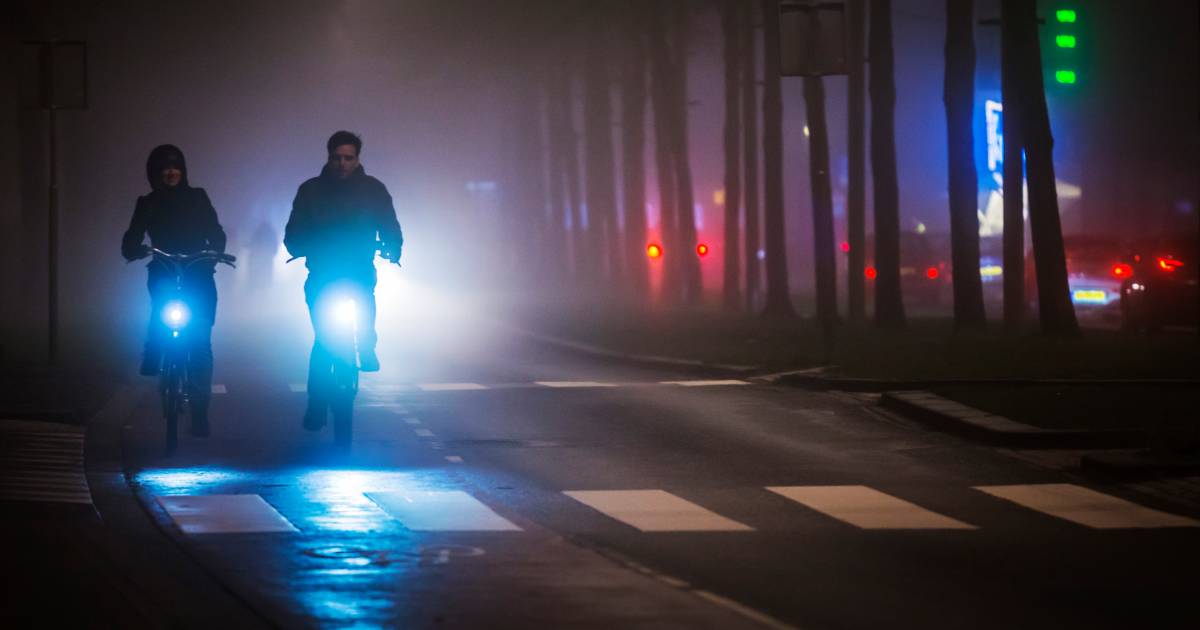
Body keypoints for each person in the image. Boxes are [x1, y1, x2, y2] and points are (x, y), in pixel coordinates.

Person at [285, 130, 402, 430]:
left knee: (365, 305)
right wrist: (298, 244)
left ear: (357, 159)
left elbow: (389, 223)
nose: (342, 163)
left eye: (348, 158)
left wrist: (393, 246)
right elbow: (293, 230)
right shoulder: (310, 190)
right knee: (323, 341)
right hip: (322, 274)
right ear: (328, 157)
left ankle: (366, 345)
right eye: (337, 158)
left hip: (359, 270)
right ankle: (315, 405)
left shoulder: (374, 190)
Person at [121, 144, 227, 437]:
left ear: (184, 170)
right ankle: (153, 352)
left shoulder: (197, 197)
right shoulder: (147, 202)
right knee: (160, 311)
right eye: (164, 168)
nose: (170, 173)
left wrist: (215, 250)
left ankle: (200, 412)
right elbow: (133, 234)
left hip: (199, 274)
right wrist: (133, 249)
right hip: (165, 270)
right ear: (154, 173)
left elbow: (215, 230)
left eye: (175, 167)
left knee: (201, 344)